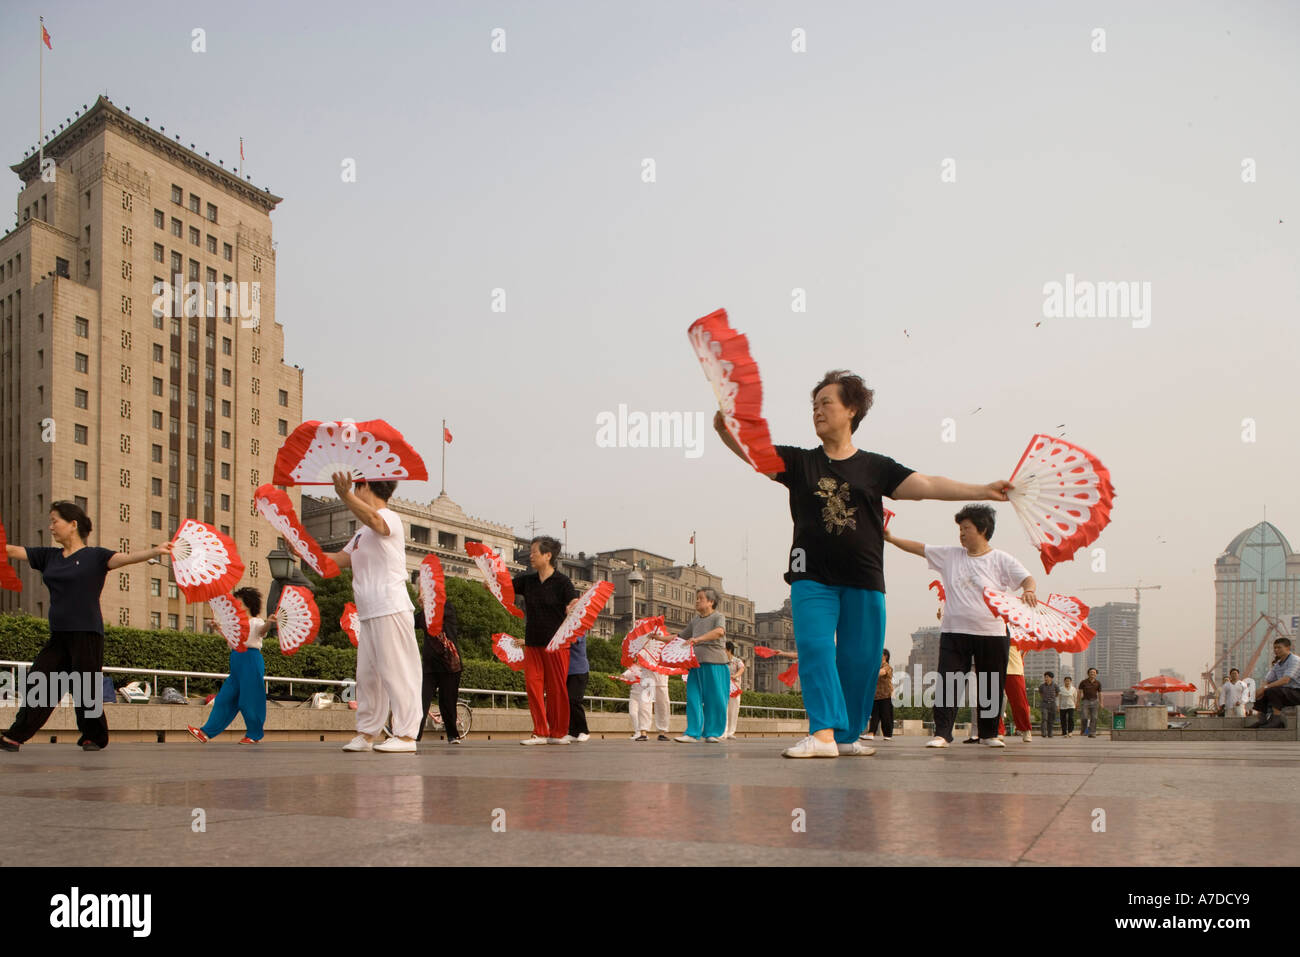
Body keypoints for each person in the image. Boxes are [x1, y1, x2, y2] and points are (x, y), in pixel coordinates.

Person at [713, 370, 1013, 759]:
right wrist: (725, 430)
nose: (818, 411)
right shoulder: (799, 462)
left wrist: (983, 489)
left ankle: (846, 735)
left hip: (864, 577)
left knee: (861, 659)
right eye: (814, 405)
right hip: (812, 577)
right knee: (816, 647)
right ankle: (822, 733)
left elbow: (925, 485)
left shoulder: (875, 467)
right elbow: (754, 452)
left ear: (851, 409)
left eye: (827, 403)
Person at [2, 501, 171, 753]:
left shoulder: (96, 557)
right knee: (41, 681)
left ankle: (94, 736)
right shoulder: (49, 556)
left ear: (73, 524)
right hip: (59, 635)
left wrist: (155, 551)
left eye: (54, 521)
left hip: (87, 633)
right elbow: (13, 551)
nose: (50, 527)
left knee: (85, 689)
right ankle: (16, 736)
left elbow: (126, 558)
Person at [886, 504, 1036, 750]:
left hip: (992, 632)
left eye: (966, 528)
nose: (962, 533)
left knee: (990, 683)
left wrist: (1029, 589)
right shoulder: (950, 555)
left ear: (983, 529)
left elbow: (1027, 578)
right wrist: (891, 539)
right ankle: (943, 733)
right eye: (960, 529)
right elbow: (920, 548)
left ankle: (989, 734)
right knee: (949, 682)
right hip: (955, 632)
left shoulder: (1001, 559)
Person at [325, 474, 421, 754]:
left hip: (390, 605)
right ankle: (367, 732)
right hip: (367, 610)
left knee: (398, 670)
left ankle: (405, 735)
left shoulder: (388, 517)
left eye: (356, 486)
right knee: (368, 675)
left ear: (364, 486)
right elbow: (339, 561)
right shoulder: (360, 533)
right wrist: (303, 551)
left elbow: (377, 522)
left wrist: (345, 497)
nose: (353, 490)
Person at [511, 535, 578, 745]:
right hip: (532, 643)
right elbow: (505, 586)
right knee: (533, 686)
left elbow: (574, 601)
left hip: (556, 645)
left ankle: (558, 733)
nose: (530, 556)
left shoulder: (562, 582)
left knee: (557, 688)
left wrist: (572, 606)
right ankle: (540, 731)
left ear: (547, 555)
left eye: (534, 552)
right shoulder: (527, 581)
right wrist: (491, 584)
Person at [187, 587, 268, 744]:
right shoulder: (234, 624)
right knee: (224, 698)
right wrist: (218, 629)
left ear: (248, 604)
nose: (235, 604)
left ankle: (254, 734)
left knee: (249, 699)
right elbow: (231, 641)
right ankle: (205, 732)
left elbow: (262, 631)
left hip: (251, 660)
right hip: (237, 661)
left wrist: (270, 623)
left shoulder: (256, 621)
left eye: (239, 601)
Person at [673, 588, 728, 743]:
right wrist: (658, 637)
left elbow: (719, 632)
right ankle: (692, 732)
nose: (697, 601)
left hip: (715, 663)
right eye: (697, 598)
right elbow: (679, 637)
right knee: (693, 697)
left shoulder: (718, 616)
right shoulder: (695, 620)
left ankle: (713, 732)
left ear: (711, 602)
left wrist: (697, 639)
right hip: (696, 664)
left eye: (700, 598)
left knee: (715, 699)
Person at [415, 599, 463, 744]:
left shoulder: (446, 606)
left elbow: (435, 618)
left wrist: (427, 605)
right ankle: (414, 735)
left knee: (447, 701)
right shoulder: (423, 614)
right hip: (430, 666)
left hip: (450, 664)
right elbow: (410, 622)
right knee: (421, 701)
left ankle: (452, 735)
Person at [1246, 638, 1300, 729]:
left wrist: (1265, 688)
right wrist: (1260, 690)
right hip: (1285, 692)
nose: (1276, 650)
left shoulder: (1295, 660)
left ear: (1288, 648)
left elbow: (1285, 680)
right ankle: (1262, 720)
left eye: (1279, 648)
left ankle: (1277, 720)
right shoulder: (1278, 664)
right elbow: (1268, 679)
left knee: (1271, 690)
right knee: (1262, 692)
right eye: (1274, 648)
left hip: (1296, 692)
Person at [564, 629, 591, 743]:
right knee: (567, 702)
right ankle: (573, 732)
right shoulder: (563, 627)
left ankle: (584, 731)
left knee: (574, 700)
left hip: (579, 670)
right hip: (566, 671)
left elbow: (573, 640)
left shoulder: (579, 628)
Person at [863, 649, 894, 741]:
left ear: (885, 656)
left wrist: (869, 673)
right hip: (875, 696)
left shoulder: (887, 666)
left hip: (885, 695)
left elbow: (881, 673)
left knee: (886, 716)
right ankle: (871, 733)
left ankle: (888, 735)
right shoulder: (875, 666)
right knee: (874, 716)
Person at [1005, 643, 1033, 741]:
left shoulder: (1017, 630)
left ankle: (1025, 729)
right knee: (992, 701)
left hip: (1014, 668)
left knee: (1020, 702)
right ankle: (995, 731)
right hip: (992, 665)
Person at [723, 641, 745, 739]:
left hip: (735, 688)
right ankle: (724, 730)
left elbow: (742, 669)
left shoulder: (737, 661)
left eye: (723, 649)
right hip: (724, 687)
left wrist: (735, 676)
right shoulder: (722, 661)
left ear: (729, 650)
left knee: (734, 710)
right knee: (724, 709)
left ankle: (731, 732)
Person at [627, 664, 655, 741]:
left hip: (643, 694)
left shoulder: (648, 669)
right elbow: (625, 676)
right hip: (633, 694)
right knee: (632, 713)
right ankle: (637, 732)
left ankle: (643, 732)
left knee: (642, 712)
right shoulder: (632, 668)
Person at [1077, 668, 1102, 737]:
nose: (1092, 674)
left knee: (1094, 717)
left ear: (1096, 674)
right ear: (1088, 673)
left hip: (1095, 701)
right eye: (1091, 672)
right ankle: (1084, 731)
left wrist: (1101, 702)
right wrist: (1077, 702)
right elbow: (1079, 693)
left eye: (1094, 672)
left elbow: (1100, 693)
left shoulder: (1098, 683)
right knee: (1084, 717)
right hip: (1085, 701)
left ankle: (1092, 732)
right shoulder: (1083, 682)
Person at [1037, 671, 1059, 739]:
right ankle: (1043, 732)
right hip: (1044, 704)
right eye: (1045, 677)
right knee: (1044, 718)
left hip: (1052, 704)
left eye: (1047, 677)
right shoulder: (1041, 686)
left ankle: (1050, 733)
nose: (1046, 678)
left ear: (1051, 678)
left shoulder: (1055, 686)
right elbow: (1040, 693)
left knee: (1051, 719)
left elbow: (1057, 694)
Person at [652, 671, 672, 740]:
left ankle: (662, 732)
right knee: (644, 706)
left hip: (662, 683)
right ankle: (642, 732)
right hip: (647, 680)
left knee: (663, 708)